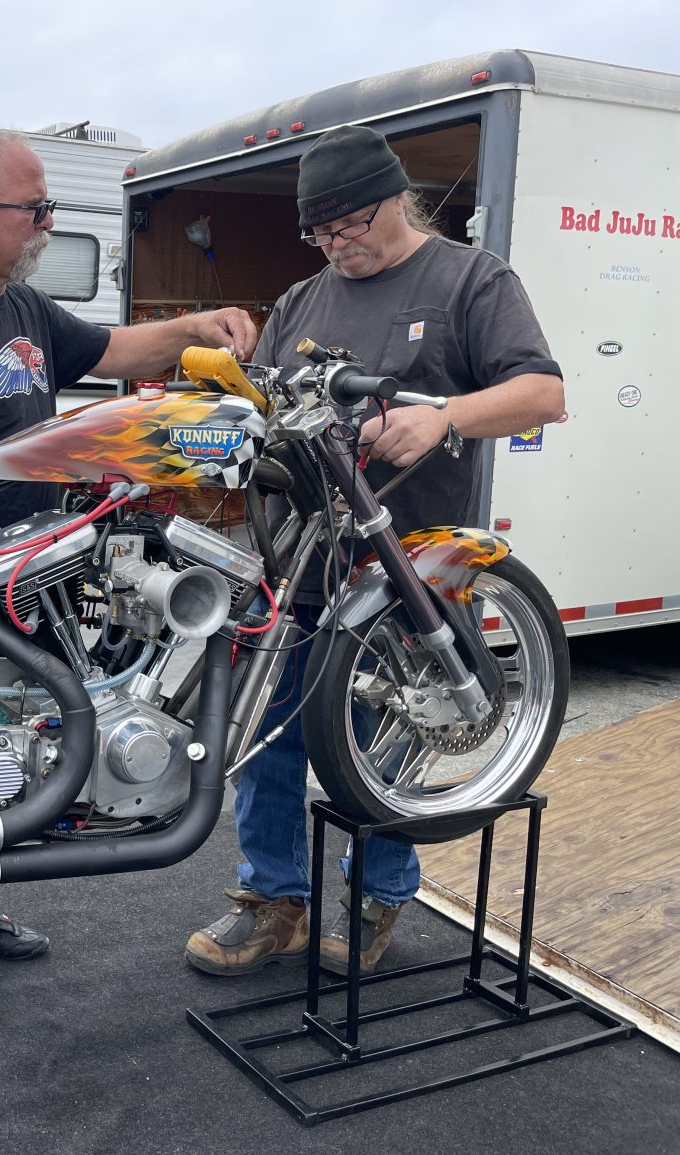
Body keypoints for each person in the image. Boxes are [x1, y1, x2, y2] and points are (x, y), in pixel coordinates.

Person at [0, 129, 256, 1024]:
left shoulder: (21, 308)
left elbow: (112, 350)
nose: (47, 222)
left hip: (26, 577)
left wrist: (193, 329)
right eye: (35, 208)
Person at [184, 125, 565, 979]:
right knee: (268, 738)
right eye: (320, 232)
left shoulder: (472, 278)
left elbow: (543, 393)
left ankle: (377, 893)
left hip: (412, 581)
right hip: (298, 564)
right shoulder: (302, 300)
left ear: (397, 197)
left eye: (351, 224)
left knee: (383, 746)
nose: (337, 244)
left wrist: (444, 417)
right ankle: (273, 898)